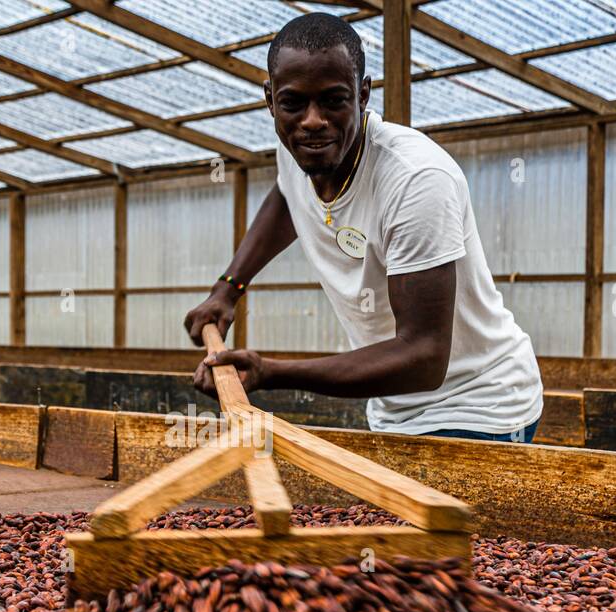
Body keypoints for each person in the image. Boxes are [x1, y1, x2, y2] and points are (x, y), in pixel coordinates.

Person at [186, 12, 543, 443]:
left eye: (334, 100)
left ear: (363, 94)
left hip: (479, 405)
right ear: (270, 99)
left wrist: (270, 373)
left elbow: (423, 357)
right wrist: (228, 287)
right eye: (293, 103)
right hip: (393, 411)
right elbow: (287, 196)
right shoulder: (299, 148)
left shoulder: (416, 180)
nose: (312, 120)